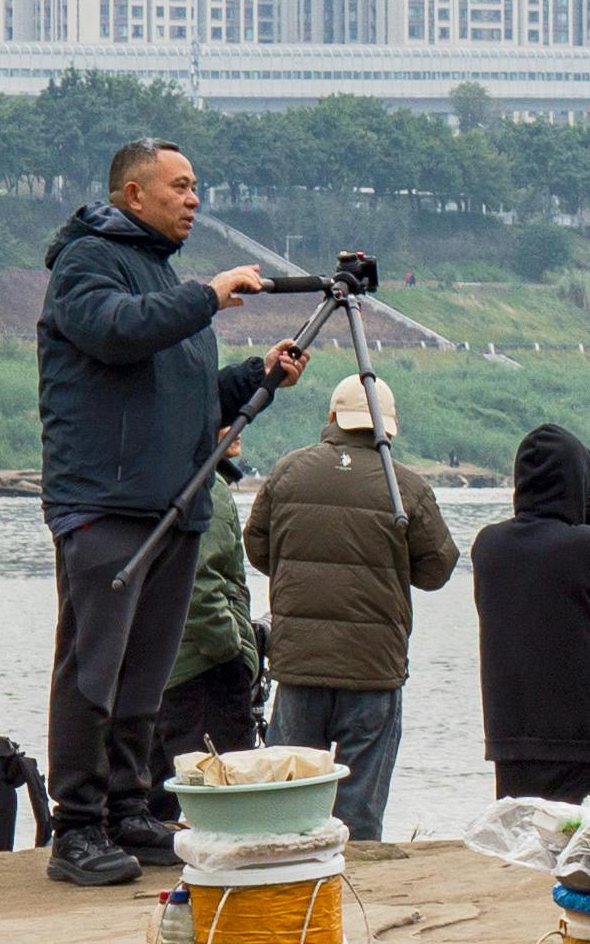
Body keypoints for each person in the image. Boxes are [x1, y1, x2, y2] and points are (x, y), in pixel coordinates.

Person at [37, 137, 306, 889]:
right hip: (105, 503)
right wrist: (205, 296)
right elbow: (114, 332)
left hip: (173, 503)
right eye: (181, 186)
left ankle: (131, 806)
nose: (194, 199)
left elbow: (185, 404)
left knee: (146, 675)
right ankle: (77, 826)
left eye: (196, 187)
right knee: (94, 667)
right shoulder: (86, 262)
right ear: (134, 194)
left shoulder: (159, 277)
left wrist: (258, 374)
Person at [246, 375, 458, 843]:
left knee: (291, 799)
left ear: (332, 418)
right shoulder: (407, 487)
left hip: (300, 664)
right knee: (359, 806)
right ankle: (357, 891)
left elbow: (257, 548)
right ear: (389, 427)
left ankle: (289, 886)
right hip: (373, 667)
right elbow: (438, 569)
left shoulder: (288, 471)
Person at [471, 420, 590, 805]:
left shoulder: (488, 546)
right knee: (585, 847)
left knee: (526, 847)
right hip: (584, 741)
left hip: (513, 739)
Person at [167, 502, 268, 765]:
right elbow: (200, 586)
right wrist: (232, 654)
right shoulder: (210, 490)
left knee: (160, 791)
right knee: (226, 788)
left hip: (159, 671)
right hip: (205, 670)